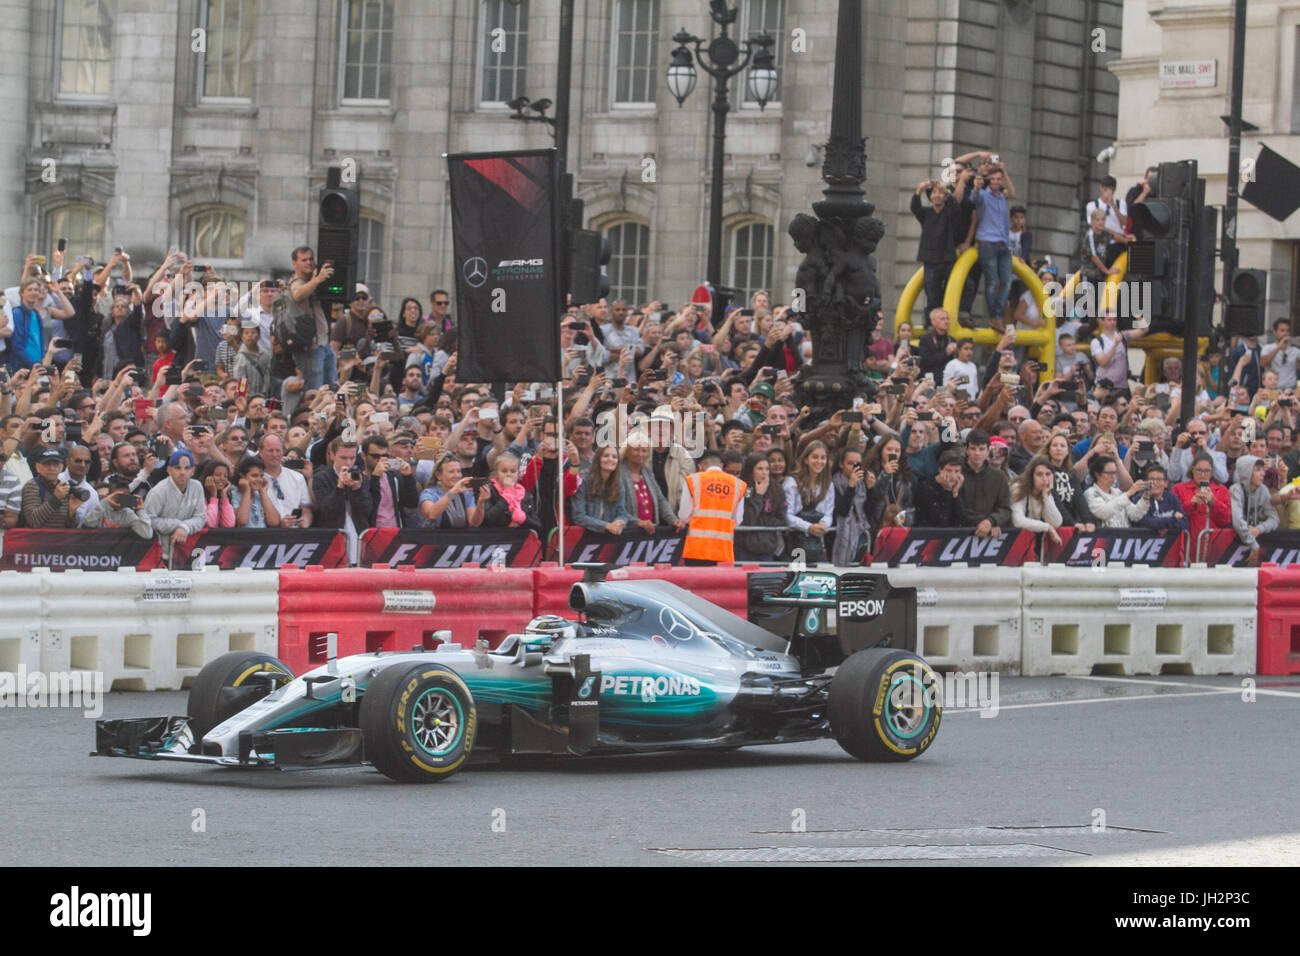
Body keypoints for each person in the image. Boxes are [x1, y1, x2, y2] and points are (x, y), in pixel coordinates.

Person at [679, 450, 746, 565]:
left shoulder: (692, 480)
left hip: (696, 550)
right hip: (723, 551)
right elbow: (738, 520)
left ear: (700, 466)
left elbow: (683, 515)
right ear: (721, 466)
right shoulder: (739, 485)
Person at [312, 439, 372, 563]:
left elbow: (367, 511)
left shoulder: (362, 478)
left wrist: (357, 489)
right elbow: (326, 511)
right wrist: (339, 487)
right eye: (343, 458)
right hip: (333, 540)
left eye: (352, 458)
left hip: (358, 537)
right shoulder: (321, 477)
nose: (348, 463)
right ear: (332, 455)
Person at [144, 449, 207, 564]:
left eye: (187, 468)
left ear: (193, 471)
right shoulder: (158, 491)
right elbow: (148, 520)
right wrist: (176, 525)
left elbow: (201, 517)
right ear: (169, 470)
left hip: (187, 552)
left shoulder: (197, 487)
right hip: (158, 553)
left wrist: (185, 527)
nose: (182, 472)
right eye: (178, 468)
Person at [783, 440, 835, 563]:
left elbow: (829, 513)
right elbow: (787, 515)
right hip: (796, 540)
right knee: (798, 574)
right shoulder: (791, 482)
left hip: (817, 543)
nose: (819, 461)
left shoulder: (828, 484)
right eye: (815, 457)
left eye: (823, 458)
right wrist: (809, 527)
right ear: (806, 459)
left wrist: (823, 524)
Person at [960, 430, 1012, 537]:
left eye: (982, 449)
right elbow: (957, 508)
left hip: (989, 534)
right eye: (973, 448)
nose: (977, 453)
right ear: (967, 450)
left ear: (988, 451)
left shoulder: (998, 476)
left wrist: (992, 521)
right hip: (959, 530)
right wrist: (987, 521)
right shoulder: (957, 472)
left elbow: (1005, 509)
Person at [1229, 455, 1279, 565]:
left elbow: (1275, 519)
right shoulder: (1235, 490)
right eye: (1257, 470)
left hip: (1252, 540)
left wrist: (1259, 529)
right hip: (1232, 545)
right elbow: (1237, 521)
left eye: (1263, 469)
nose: (1263, 473)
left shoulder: (1263, 490)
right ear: (1247, 472)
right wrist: (1254, 546)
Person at [736, 453, 787, 562]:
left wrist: (759, 520)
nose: (764, 473)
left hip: (767, 547)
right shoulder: (746, 490)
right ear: (751, 470)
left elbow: (781, 519)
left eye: (767, 469)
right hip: (744, 548)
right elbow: (747, 519)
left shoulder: (777, 489)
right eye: (760, 469)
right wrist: (758, 496)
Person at [572, 445, 633, 535]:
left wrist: (619, 522)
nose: (610, 459)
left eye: (614, 457)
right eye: (606, 456)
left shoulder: (618, 483)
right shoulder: (583, 479)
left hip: (608, 537)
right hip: (585, 536)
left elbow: (623, 513)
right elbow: (578, 517)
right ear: (598, 459)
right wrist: (607, 526)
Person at [831, 445, 873, 565]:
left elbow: (868, 512)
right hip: (840, 534)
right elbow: (842, 510)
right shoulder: (834, 483)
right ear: (841, 464)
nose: (854, 467)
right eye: (850, 463)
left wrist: (870, 490)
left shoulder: (862, 485)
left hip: (860, 533)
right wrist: (851, 486)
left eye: (858, 464)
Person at [418, 455, 484, 529]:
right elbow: (431, 515)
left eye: (458, 471)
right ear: (438, 475)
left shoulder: (466, 492)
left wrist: (480, 503)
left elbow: (474, 523)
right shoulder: (428, 493)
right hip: (433, 538)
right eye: (451, 472)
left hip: (461, 538)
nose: (456, 475)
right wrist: (453, 492)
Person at [1010, 457, 1064, 547]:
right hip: (1010, 541)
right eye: (1039, 474)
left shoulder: (1045, 492)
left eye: (1048, 474)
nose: (1045, 479)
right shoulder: (1018, 488)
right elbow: (1017, 521)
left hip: (1029, 542)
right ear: (1031, 476)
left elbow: (1056, 522)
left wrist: (1046, 498)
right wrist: (1047, 527)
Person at [20, 449, 79, 529]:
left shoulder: (65, 487)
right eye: (46, 464)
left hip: (59, 540)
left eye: (56, 464)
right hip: (35, 539)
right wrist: (55, 499)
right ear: (38, 467)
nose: (52, 468)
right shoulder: (32, 486)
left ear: (61, 467)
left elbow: (71, 528)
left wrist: (72, 513)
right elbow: (33, 521)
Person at [1084, 455, 1148, 528]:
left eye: (1114, 473)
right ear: (1097, 474)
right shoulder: (1090, 493)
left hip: (1124, 535)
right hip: (1105, 537)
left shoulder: (1118, 492)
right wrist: (1129, 492)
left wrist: (1145, 497)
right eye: (1109, 473)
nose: (1113, 476)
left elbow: (1134, 515)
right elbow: (1103, 512)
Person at [83, 473, 154, 538]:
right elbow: (88, 523)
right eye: (118, 495)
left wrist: (141, 510)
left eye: (126, 496)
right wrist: (105, 502)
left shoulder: (127, 514)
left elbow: (147, 534)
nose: (122, 498)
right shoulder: (102, 508)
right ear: (109, 495)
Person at [915, 450, 967, 527]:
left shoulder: (958, 487)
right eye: (949, 471)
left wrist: (955, 494)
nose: (953, 476)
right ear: (940, 470)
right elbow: (941, 521)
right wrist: (947, 490)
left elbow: (962, 521)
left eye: (957, 471)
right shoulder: (925, 486)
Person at [229, 455, 283, 529]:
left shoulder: (259, 494)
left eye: (261, 476)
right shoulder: (234, 493)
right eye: (254, 476)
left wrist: (263, 492)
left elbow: (274, 522)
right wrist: (246, 491)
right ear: (242, 476)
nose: (260, 480)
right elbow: (242, 521)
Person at [195, 458, 236, 528]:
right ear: (208, 476)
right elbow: (210, 524)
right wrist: (213, 496)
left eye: (225, 476)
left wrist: (224, 496)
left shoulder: (223, 496)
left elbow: (229, 524)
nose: (222, 479)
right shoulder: (199, 495)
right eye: (217, 475)